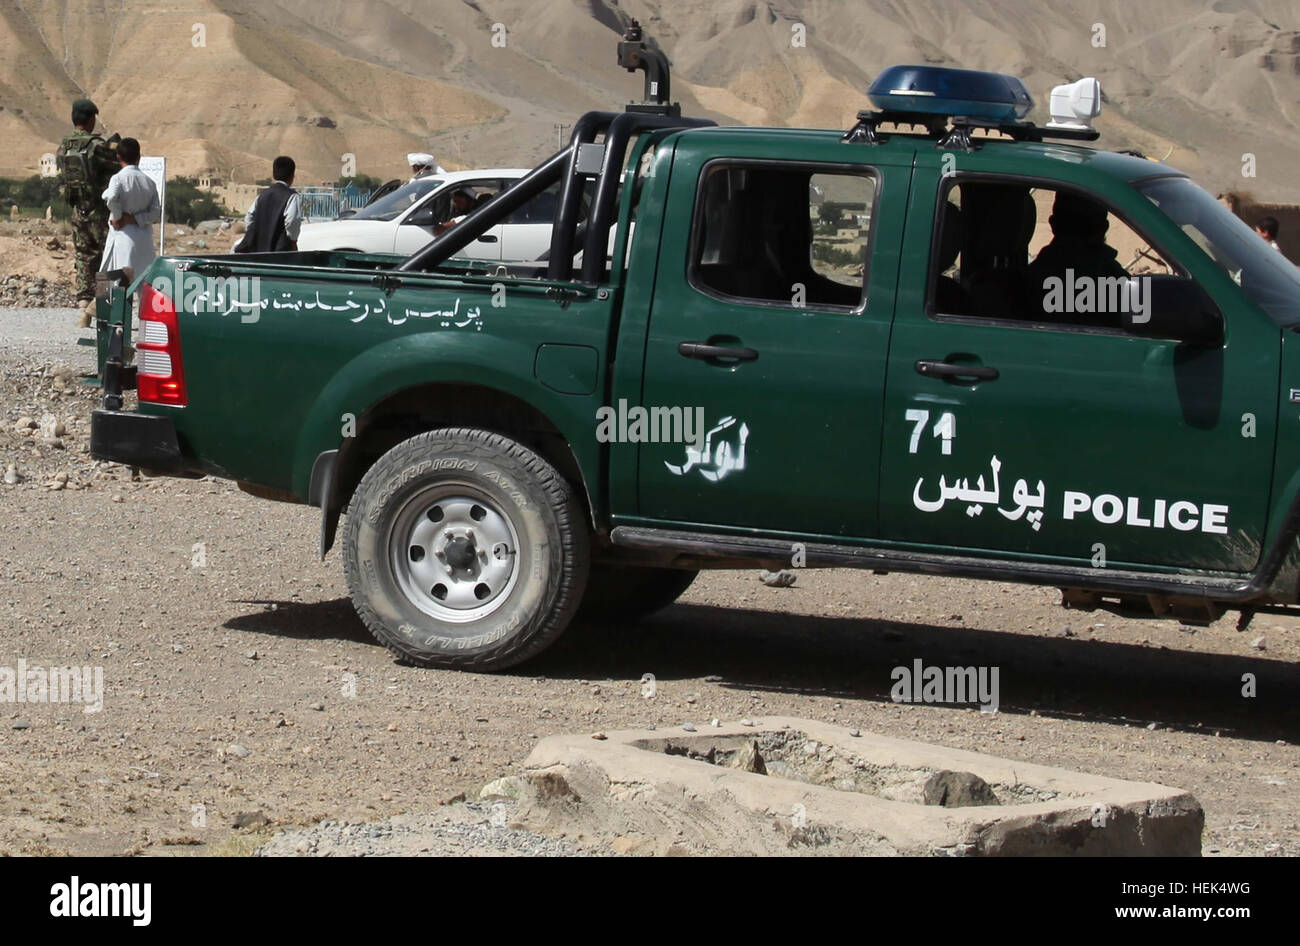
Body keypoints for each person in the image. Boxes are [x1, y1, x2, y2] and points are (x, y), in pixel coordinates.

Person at [56, 98, 120, 325]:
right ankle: (97, 307)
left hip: (77, 209)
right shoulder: (96, 146)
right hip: (99, 212)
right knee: (107, 257)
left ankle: (83, 303)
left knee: (84, 256)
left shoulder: (64, 146)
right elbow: (117, 165)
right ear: (91, 119)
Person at [99, 138, 160, 282]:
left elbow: (112, 196)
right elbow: (155, 213)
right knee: (143, 285)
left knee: (119, 286)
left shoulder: (118, 178)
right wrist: (135, 219)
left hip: (123, 238)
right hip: (144, 240)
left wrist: (117, 216)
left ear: (118, 157)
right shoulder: (149, 182)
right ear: (139, 157)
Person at [235, 156, 301, 253]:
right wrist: (293, 241)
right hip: (280, 253)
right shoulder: (292, 196)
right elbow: (292, 221)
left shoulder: (262, 195)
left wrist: (256, 234)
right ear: (292, 176)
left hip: (259, 252)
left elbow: (249, 217)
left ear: (274, 174)